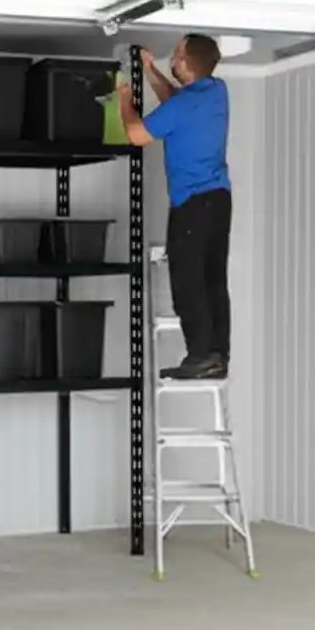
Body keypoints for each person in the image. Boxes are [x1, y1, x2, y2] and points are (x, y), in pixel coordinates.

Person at [118, 35, 232, 381]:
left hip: (192, 204)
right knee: (212, 278)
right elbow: (175, 102)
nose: (174, 59)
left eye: (177, 54)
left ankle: (199, 355)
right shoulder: (216, 91)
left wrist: (124, 100)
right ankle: (217, 356)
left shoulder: (187, 103)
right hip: (218, 200)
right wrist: (150, 69)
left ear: (185, 62)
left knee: (187, 281)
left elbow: (136, 134)